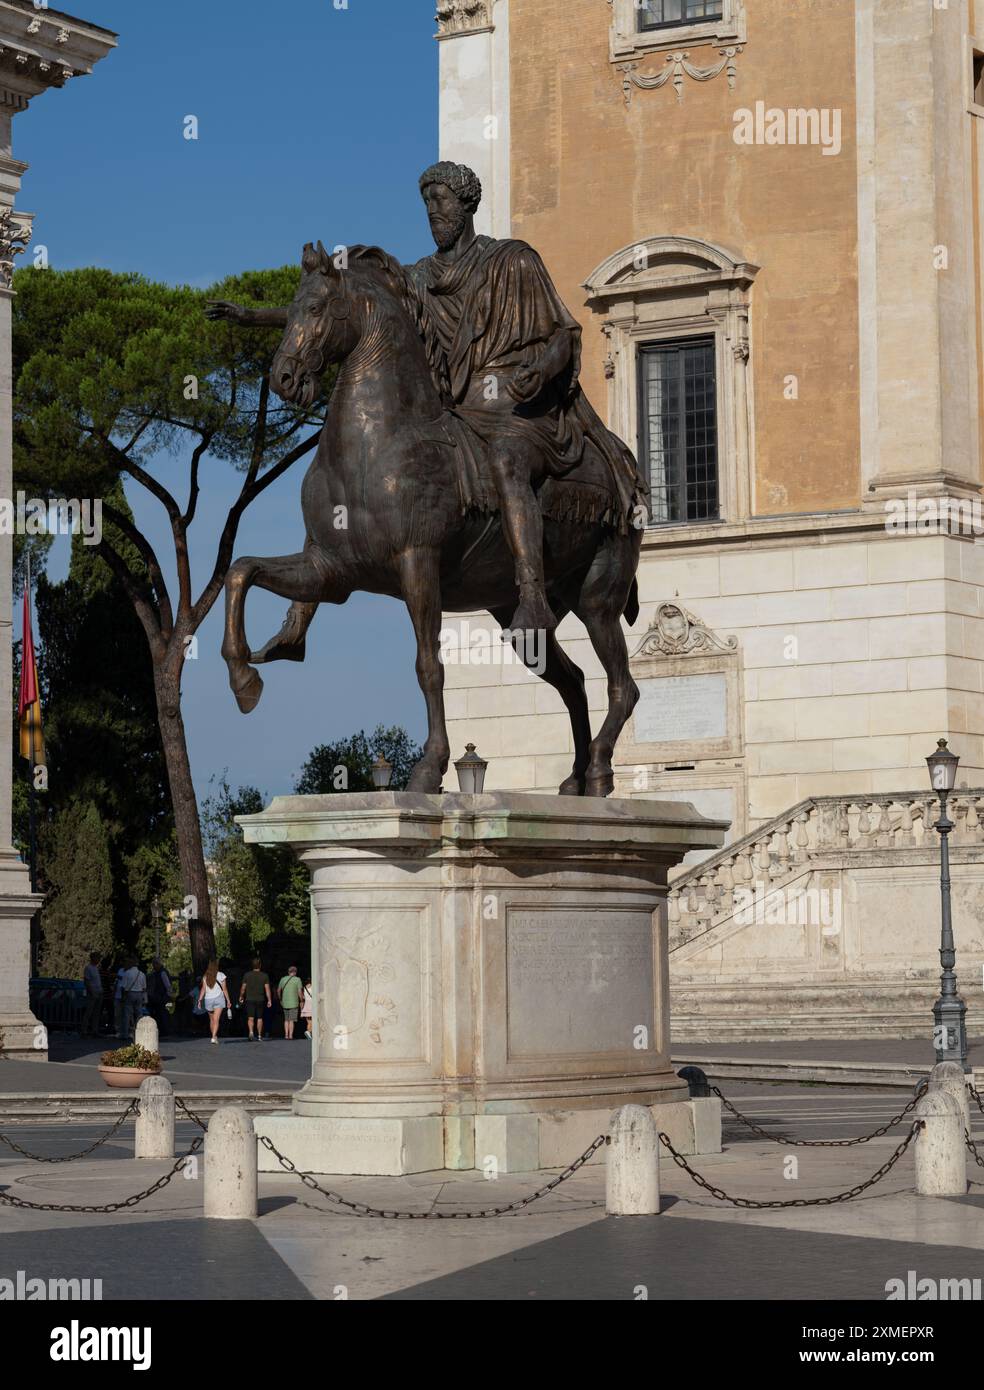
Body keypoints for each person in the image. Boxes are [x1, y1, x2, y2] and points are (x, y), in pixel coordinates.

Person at [198, 960, 232, 1044]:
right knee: (216, 1019)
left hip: (208, 999)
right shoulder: (221, 975)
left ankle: (214, 1036)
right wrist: (228, 1000)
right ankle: (213, 1037)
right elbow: (224, 989)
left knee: (212, 1020)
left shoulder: (205, 976)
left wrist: (199, 1000)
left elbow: (203, 989)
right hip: (218, 999)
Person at [239, 958, 271, 1041]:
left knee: (250, 1017)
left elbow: (243, 988)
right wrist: (269, 1000)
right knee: (260, 1018)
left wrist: (241, 996)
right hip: (260, 999)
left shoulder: (247, 975)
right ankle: (260, 1035)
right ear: (260, 965)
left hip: (249, 999)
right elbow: (267, 989)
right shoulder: (264, 975)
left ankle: (251, 1032)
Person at [119, 956, 147, 1044]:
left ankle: (125, 1034)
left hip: (129, 993)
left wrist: (123, 997)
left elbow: (123, 987)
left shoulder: (127, 973)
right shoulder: (142, 974)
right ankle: (141, 1031)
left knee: (127, 1014)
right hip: (139, 994)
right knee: (139, 1013)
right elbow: (144, 988)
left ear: (131, 964)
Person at [146, 959, 172, 1035]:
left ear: (158, 964)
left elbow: (167, 985)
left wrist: (169, 995)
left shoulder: (162, 972)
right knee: (162, 1013)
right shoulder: (159, 972)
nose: (153, 967)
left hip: (162, 997)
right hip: (161, 997)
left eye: (154, 965)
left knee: (163, 1013)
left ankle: (164, 1031)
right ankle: (164, 1030)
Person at [277, 965, 303, 1040]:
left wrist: (280, 999)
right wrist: (301, 1000)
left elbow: (278, 990)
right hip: (294, 1002)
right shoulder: (297, 980)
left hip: (285, 1002)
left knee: (286, 1019)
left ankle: (286, 1035)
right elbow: (299, 992)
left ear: (289, 972)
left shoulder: (283, 979)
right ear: (295, 972)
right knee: (291, 1020)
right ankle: (291, 1035)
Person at [82, 952, 103, 1038]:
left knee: (96, 1013)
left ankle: (95, 1030)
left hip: (99, 992)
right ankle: (84, 1031)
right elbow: (87, 981)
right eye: (97, 957)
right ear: (93, 958)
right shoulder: (88, 968)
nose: (99, 960)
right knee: (88, 1012)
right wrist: (91, 992)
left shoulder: (96, 968)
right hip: (92, 993)